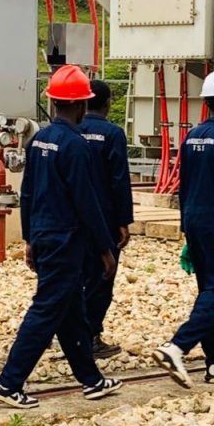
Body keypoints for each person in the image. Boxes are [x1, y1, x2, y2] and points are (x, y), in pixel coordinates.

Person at [0, 65, 122, 408]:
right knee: (47, 309)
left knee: (72, 311)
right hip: (66, 240)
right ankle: (9, 382)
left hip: (45, 235)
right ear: (80, 104)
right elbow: (86, 202)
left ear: (53, 102)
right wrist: (105, 249)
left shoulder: (39, 140)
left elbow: (28, 192)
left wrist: (29, 238)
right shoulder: (75, 145)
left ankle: (91, 380)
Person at [153, 71, 214, 388]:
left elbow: (185, 185)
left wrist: (186, 230)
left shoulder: (192, 136)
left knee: (208, 290)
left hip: (195, 221)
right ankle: (177, 347)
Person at [80, 79, 134, 359]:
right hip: (105, 218)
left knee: (77, 276)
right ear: (107, 103)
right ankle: (91, 335)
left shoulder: (72, 130)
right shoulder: (112, 134)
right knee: (103, 276)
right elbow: (119, 179)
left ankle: (73, 333)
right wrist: (124, 220)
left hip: (74, 219)